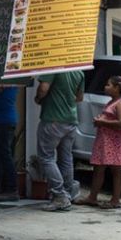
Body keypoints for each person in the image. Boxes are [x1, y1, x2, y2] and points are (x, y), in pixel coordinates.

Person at [77, 75, 121, 209]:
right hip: (106, 141)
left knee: (116, 169)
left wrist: (102, 121)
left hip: (115, 142)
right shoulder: (112, 102)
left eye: (108, 85)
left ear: (116, 88)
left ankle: (115, 200)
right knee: (98, 168)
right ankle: (92, 197)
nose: (105, 87)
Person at [34, 69, 84, 212]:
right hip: (71, 120)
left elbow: (43, 88)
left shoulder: (54, 67)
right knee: (66, 158)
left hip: (53, 119)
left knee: (46, 157)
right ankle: (67, 194)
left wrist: (38, 98)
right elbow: (79, 97)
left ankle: (59, 195)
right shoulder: (79, 71)